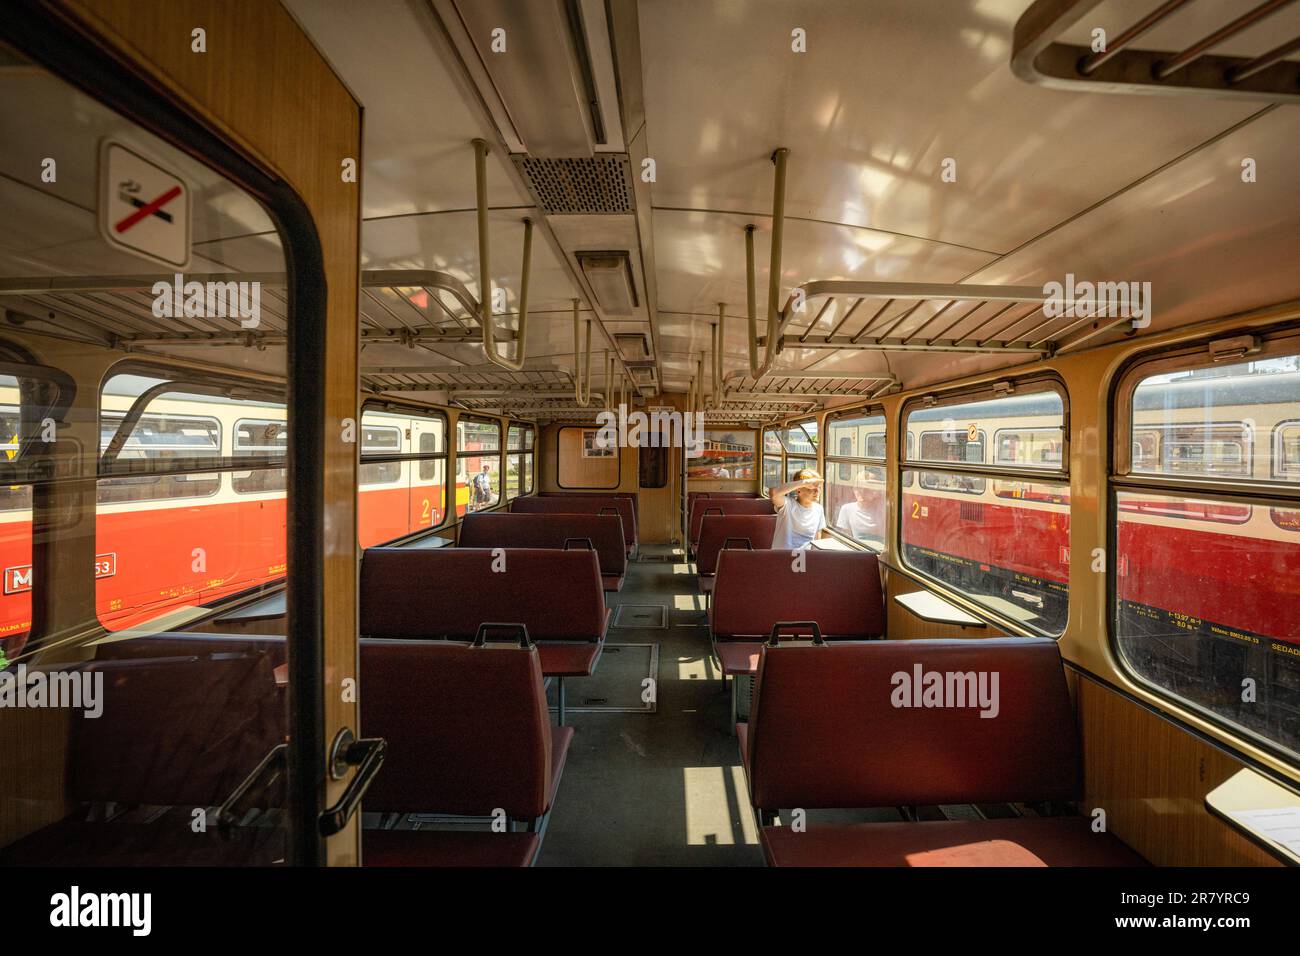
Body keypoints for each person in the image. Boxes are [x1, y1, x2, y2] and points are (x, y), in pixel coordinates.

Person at [770, 467, 827, 550]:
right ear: (798, 490)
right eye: (811, 488)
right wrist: (804, 482)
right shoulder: (787, 505)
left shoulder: (819, 509)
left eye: (818, 488)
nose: (817, 492)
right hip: (783, 555)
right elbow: (774, 493)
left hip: (805, 557)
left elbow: (817, 539)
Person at [834, 471, 879, 540]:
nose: (860, 491)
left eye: (866, 488)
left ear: (874, 491)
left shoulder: (882, 511)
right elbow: (846, 538)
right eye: (857, 487)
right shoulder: (847, 509)